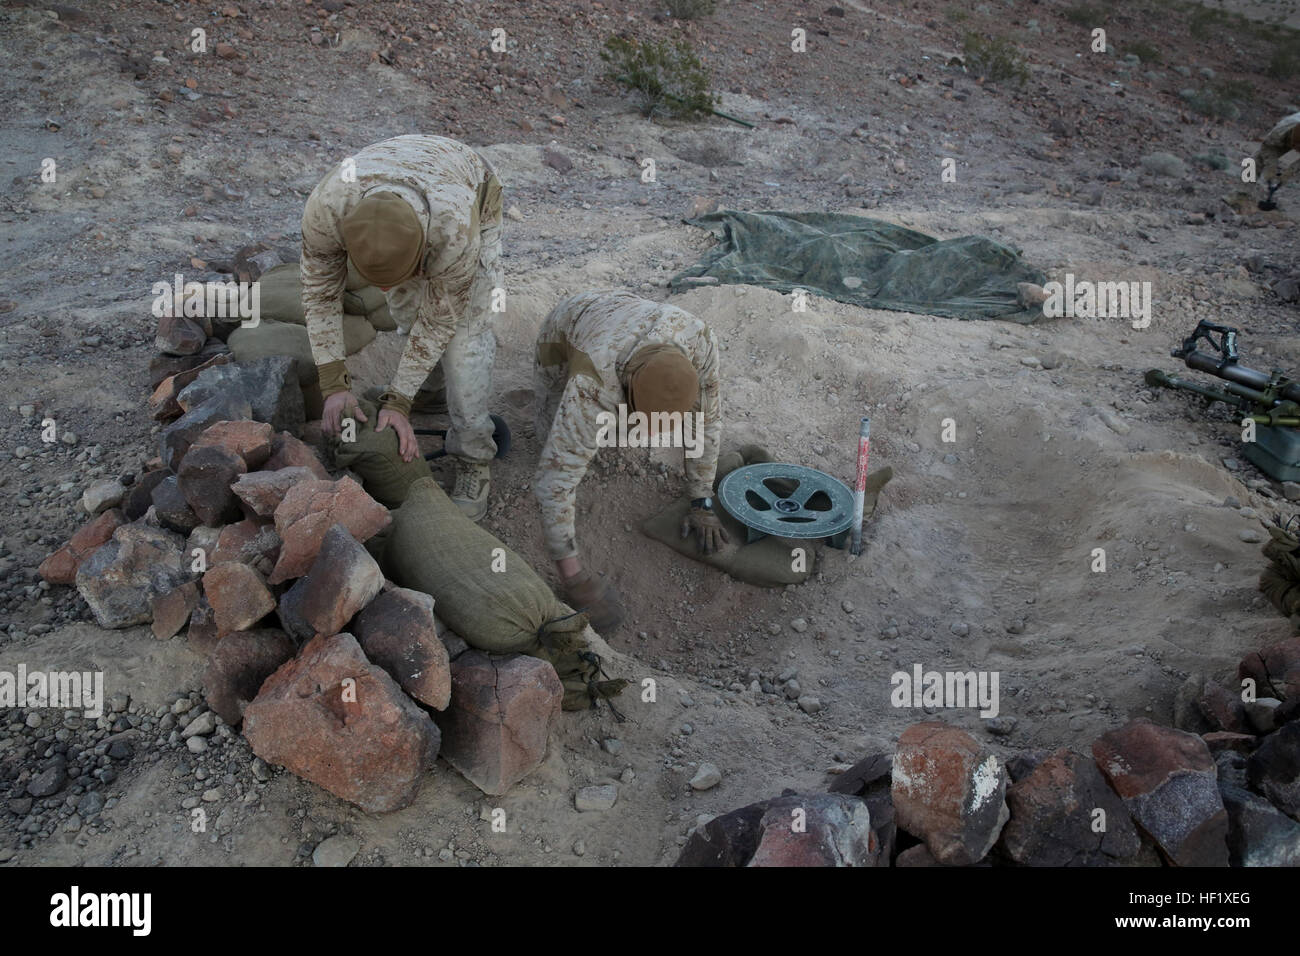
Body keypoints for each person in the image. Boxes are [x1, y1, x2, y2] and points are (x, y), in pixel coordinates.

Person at [300, 134, 503, 519]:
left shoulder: (454, 230)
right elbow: (319, 295)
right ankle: (429, 388)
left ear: (423, 251)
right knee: (407, 309)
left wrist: (398, 402)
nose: (385, 289)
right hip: (397, 177)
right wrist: (333, 383)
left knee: (464, 341)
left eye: (402, 273)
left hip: (471, 185)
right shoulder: (326, 210)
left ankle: (474, 460)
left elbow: (441, 320)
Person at [533, 290, 724, 631]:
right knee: (552, 439)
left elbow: (707, 423)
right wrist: (573, 576)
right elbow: (555, 481)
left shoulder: (701, 343)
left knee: (599, 435)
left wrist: (702, 499)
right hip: (567, 328)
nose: (651, 437)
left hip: (624, 315)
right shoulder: (592, 381)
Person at [1224, 110, 1300, 212]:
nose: (1295, 150)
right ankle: (1240, 195)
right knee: (1253, 161)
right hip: (1282, 139)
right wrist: (1271, 168)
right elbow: (1267, 148)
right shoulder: (1279, 131)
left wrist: (1288, 173)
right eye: (1295, 147)